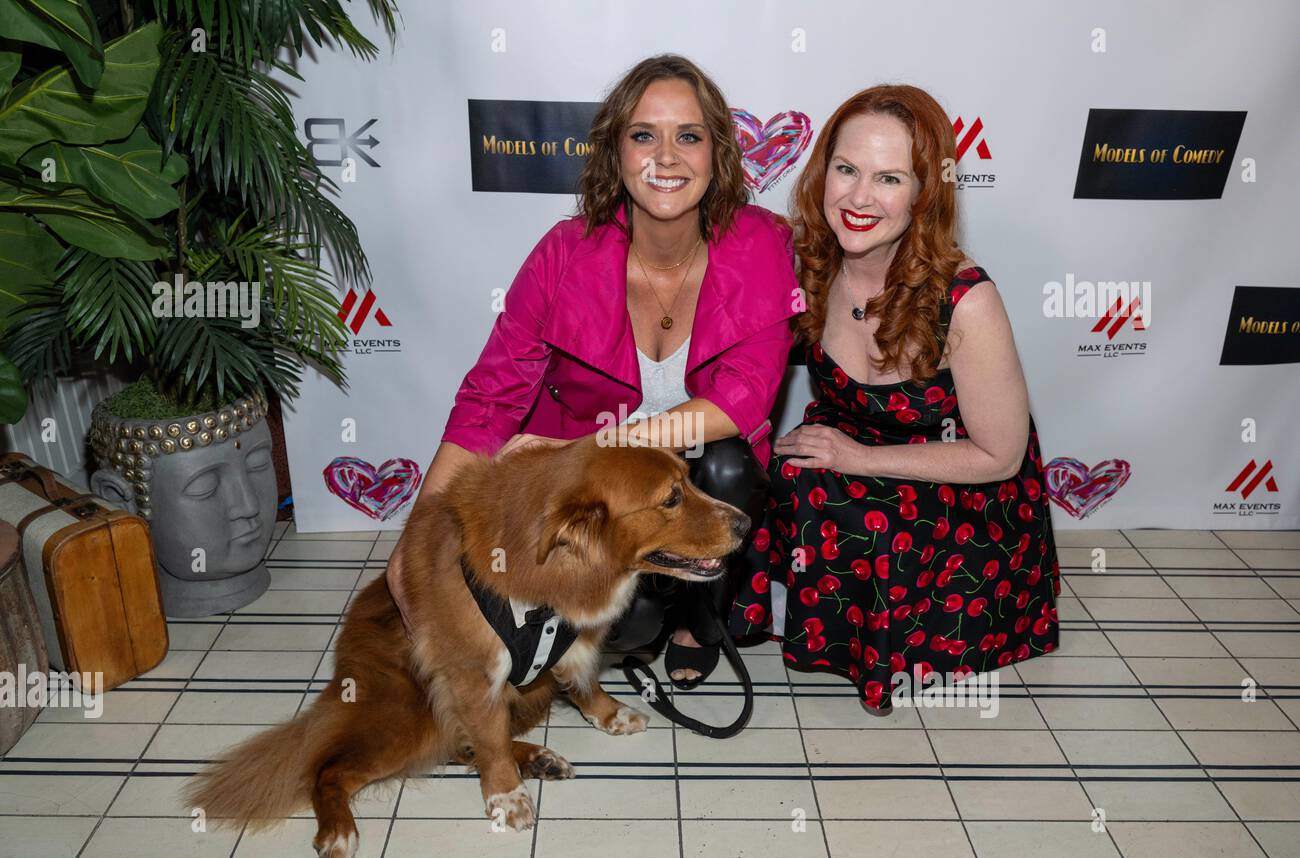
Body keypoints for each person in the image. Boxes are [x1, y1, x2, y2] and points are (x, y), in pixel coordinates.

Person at [387, 54, 798, 689]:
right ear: (615, 152)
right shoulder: (562, 254)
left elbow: (741, 400)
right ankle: (645, 608)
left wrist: (586, 448)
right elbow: (489, 399)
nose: (665, 156)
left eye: (688, 136)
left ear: (718, 154)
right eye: (643, 136)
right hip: (608, 503)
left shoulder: (763, 242)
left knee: (726, 463)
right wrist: (418, 535)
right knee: (627, 634)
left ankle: (698, 620)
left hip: (698, 484)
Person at [727, 85, 1061, 715]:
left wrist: (859, 458)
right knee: (785, 472)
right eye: (846, 169)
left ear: (923, 193)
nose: (858, 198)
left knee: (855, 503)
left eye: (888, 178)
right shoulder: (806, 261)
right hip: (852, 440)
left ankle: (892, 651)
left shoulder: (965, 299)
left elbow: (999, 455)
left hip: (962, 479)